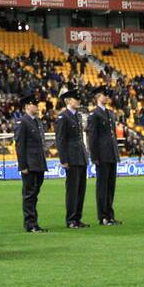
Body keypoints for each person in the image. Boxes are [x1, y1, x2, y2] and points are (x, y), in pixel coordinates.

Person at [87, 88, 122, 225]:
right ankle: (103, 216)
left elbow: (112, 134)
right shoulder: (94, 114)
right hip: (102, 154)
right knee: (102, 186)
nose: (107, 97)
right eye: (104, 95)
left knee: (110, 186)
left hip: (111, 153)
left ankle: (109, 214)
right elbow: (92, 137)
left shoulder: (108, 113)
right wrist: (94, 156)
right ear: (98, 96)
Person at [55, 88, 89, 228]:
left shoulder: (77, 116)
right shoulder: (63, 117)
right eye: (76, 98)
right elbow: (61, 140)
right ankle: (70, 219)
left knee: (81, 189)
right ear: (68, 100)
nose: (79, 101)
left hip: (80, 156)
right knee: (72, 190)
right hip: (71, 157)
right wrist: (63, 160)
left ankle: (77, 217)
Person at [14, 99, 48, 233]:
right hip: (29, 163)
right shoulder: (23, 122)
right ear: (27, 106)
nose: (37, 107)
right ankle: (30, 223)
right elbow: (19, 145)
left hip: (39, 163)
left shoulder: (37, 122)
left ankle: (33, 222)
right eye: (35, 105)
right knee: (29, 194)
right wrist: (22, 165)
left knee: (35, 193)